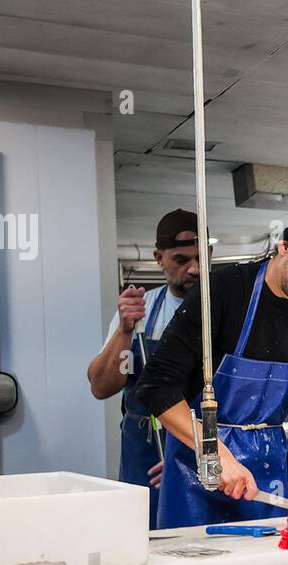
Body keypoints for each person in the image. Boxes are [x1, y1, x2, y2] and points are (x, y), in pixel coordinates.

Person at [134, 199, 288, 527]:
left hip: (267, 470)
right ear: (285, 246)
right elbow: (157, 385)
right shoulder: (222, 290)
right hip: (201, 472)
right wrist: (216, 454)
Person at [86, 209, 204, 528]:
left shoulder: (222, 313)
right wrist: (124, 330)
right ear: (159, 258)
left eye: (200, 258)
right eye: (181, 260)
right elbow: (101, 387)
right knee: (141, 542)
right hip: (144, 452)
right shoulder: (141, 312)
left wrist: (188, 454)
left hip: (204, 449)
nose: (194, 269)